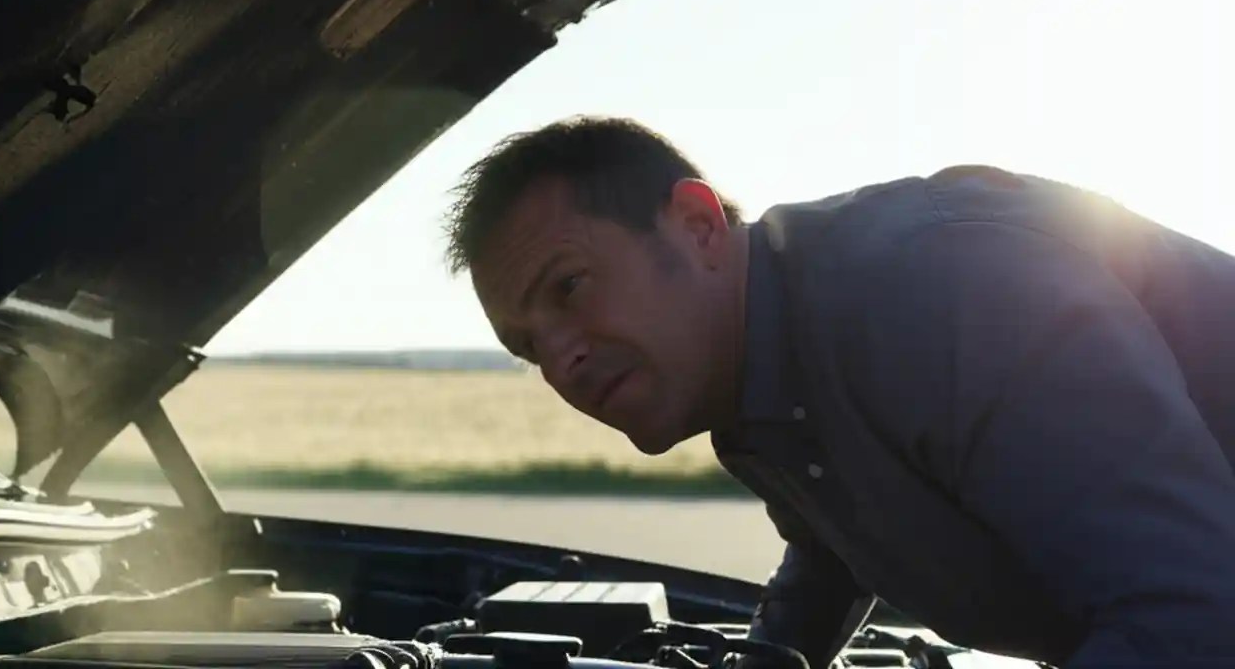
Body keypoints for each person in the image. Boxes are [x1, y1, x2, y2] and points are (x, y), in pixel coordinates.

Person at [441, 115, 1235, 669]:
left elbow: (1196, 618)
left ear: (698, 225)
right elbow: (832, 544)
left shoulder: (940, 295)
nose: (561, 362)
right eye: (527, 346)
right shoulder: (759, 370)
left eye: (570, 287)